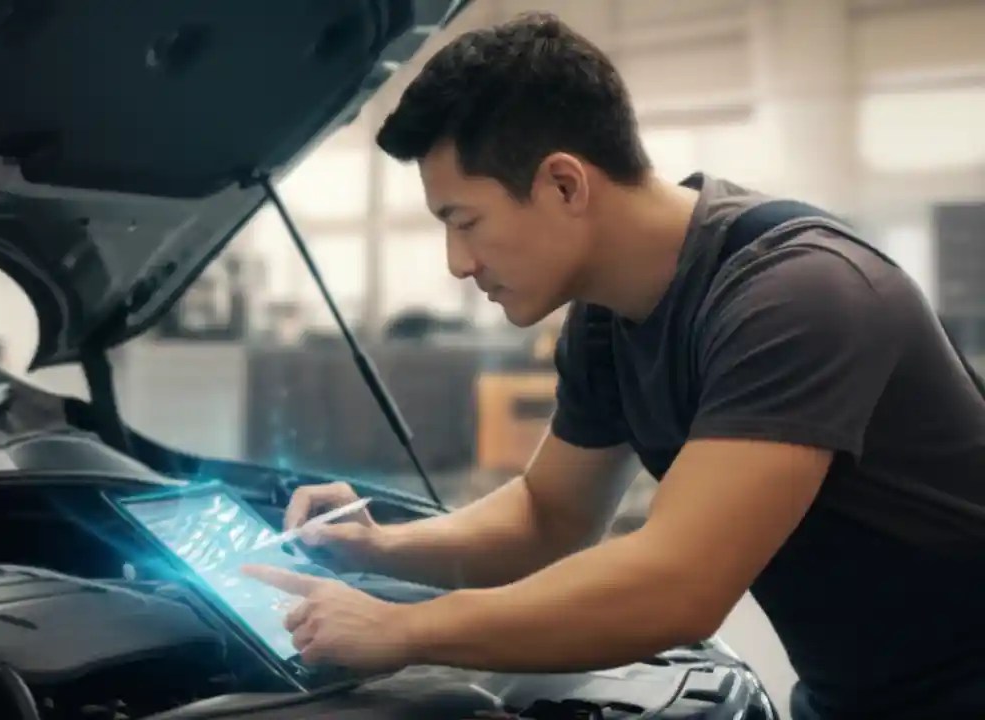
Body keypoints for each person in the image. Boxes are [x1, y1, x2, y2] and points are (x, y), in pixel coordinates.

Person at [242, 12, 985, 719]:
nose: (458, 264)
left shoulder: (797, 294)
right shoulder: (606, 321)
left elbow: (677, 585)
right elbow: (549, 514)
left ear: (565, 184)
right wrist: (381, 546)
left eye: (465, 222)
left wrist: (405, 630)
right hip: (852, 699)